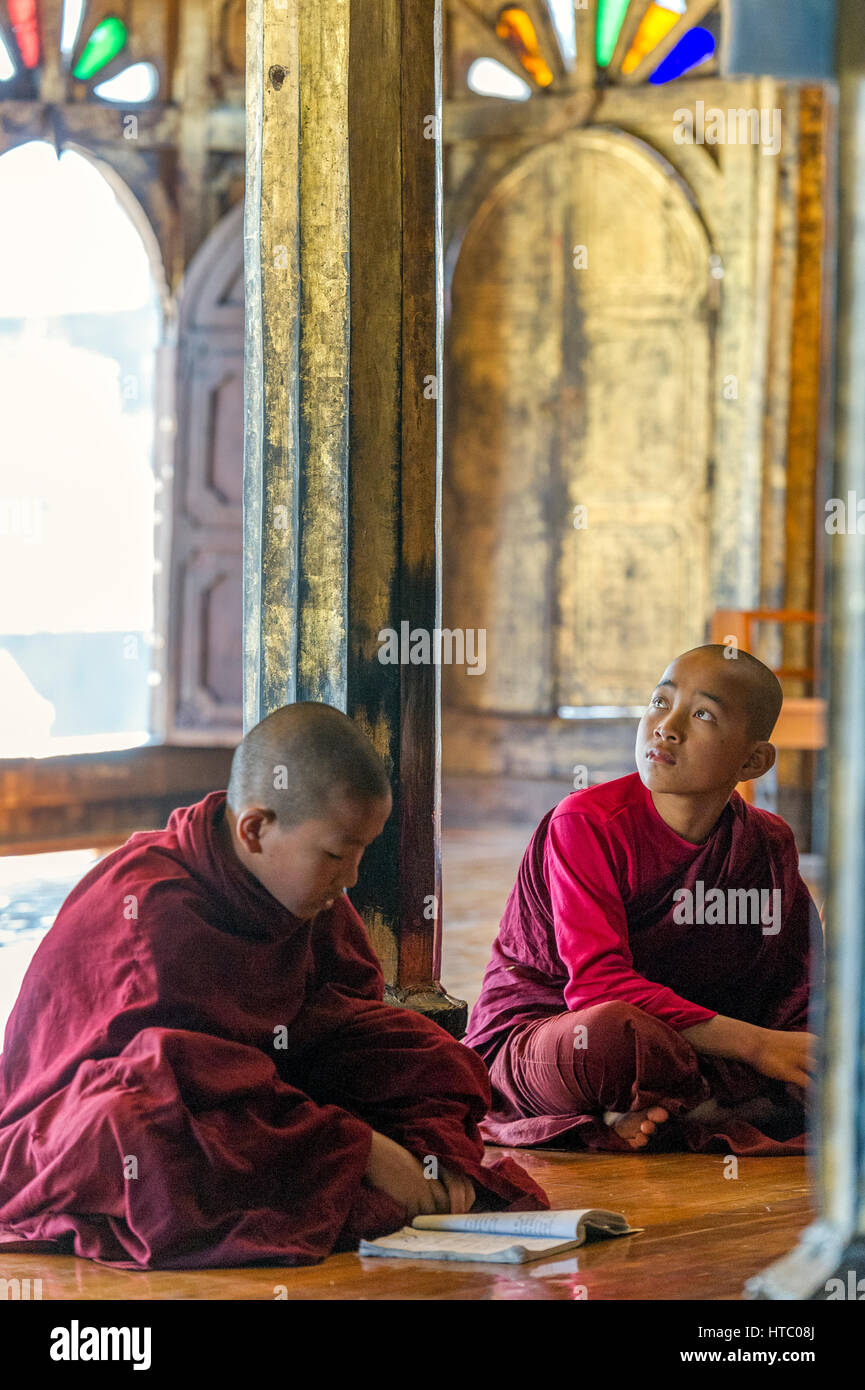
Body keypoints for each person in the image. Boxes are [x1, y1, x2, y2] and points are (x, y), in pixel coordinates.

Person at [0, 703, 545, 1270]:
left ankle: (389, 1184)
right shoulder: (154, 912)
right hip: (123, 1114)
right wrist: (366, 1152)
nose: (352, 877)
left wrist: (373, 1133)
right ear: (255, 829)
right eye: (336, 853)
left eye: (362, 851)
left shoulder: (302, 890)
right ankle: (372, 1188)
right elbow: (169, 1077)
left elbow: (350, 1016)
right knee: (142, 1134)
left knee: (425, 1053)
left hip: (265, 1101)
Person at [464, 645, 823, 1156]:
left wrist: (804, 1050)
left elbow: (795, 987)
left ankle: (660, 1106)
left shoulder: (766, 843)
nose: (666, 727)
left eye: (702, 715)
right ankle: (701, 1106)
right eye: (659, 702)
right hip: (553, 1038)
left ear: (753, 760)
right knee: (613, 1037)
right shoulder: (586, 824)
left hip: (697, 1046)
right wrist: (759, 1048)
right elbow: (597, 988)